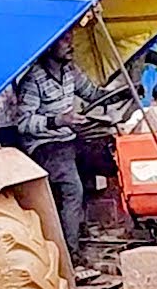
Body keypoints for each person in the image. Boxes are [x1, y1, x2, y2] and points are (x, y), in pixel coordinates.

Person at [15, 32, 123, 269]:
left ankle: (107, 229)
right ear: (49, 45)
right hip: (44, 144)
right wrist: (58, 120)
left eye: (70, 38)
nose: (71, 44)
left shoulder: (70, 71)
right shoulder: (34, 80)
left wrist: (121, 94)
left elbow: (93, 94)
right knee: (73, 187)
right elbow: (23, 123)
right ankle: (70, 255)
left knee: (113, 157)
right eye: (64, 40)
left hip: (70, 138)